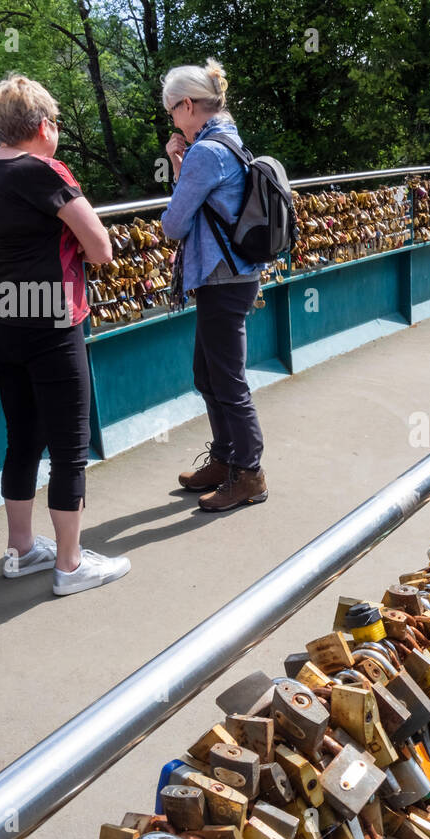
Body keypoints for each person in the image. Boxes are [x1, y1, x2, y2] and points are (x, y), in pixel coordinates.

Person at [0, 73, 131, 596]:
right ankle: (69, 564)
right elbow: (101, 248)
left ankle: (21, 549)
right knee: (69, 447)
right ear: (43, 126)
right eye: (56, 123)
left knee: (23, 437)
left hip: (0, 315)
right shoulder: (43, 169)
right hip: (51, 320)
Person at [161, 58, 271, 512]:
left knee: (226, 380)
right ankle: (227, 459)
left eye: (172, 112)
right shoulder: (228, 141)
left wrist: (177, 163)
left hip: (222, 278)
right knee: (208, 374)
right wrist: (181, 161)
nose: (171, 121)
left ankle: (250, 473)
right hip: (232, 274)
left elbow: (174, 223)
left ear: (188, 105)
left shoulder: (207, 152)